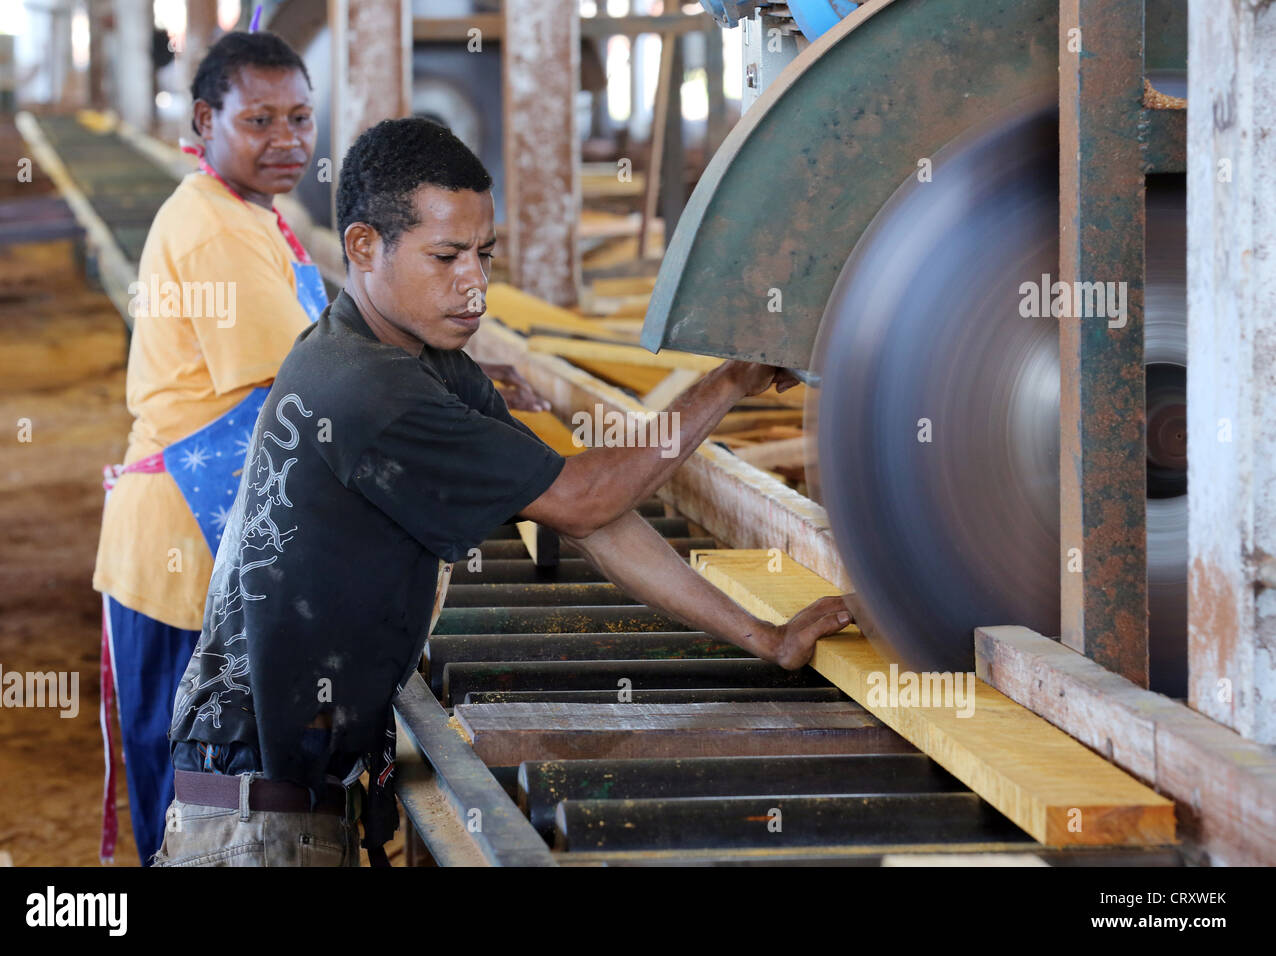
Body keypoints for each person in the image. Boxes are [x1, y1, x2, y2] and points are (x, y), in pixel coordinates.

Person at [153, 117, 851, 867]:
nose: (475, 282)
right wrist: (730, 380)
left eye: (485, 253)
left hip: (293, 792)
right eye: (447, 256)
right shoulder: (367, 388)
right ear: (362, 248)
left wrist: (765, 637)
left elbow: (591, 515)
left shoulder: (423, 358)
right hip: (252, 827)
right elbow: (585, 499)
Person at [92, 30, 329, 866]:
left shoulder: (248, 213)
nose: (288, 140)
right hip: (180, 555)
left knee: (203, 786)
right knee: (193, 797)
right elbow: (304, 383)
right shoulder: (216, 230)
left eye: (300, 117)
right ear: (206, 119)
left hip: (209, 536)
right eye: (260, 120)